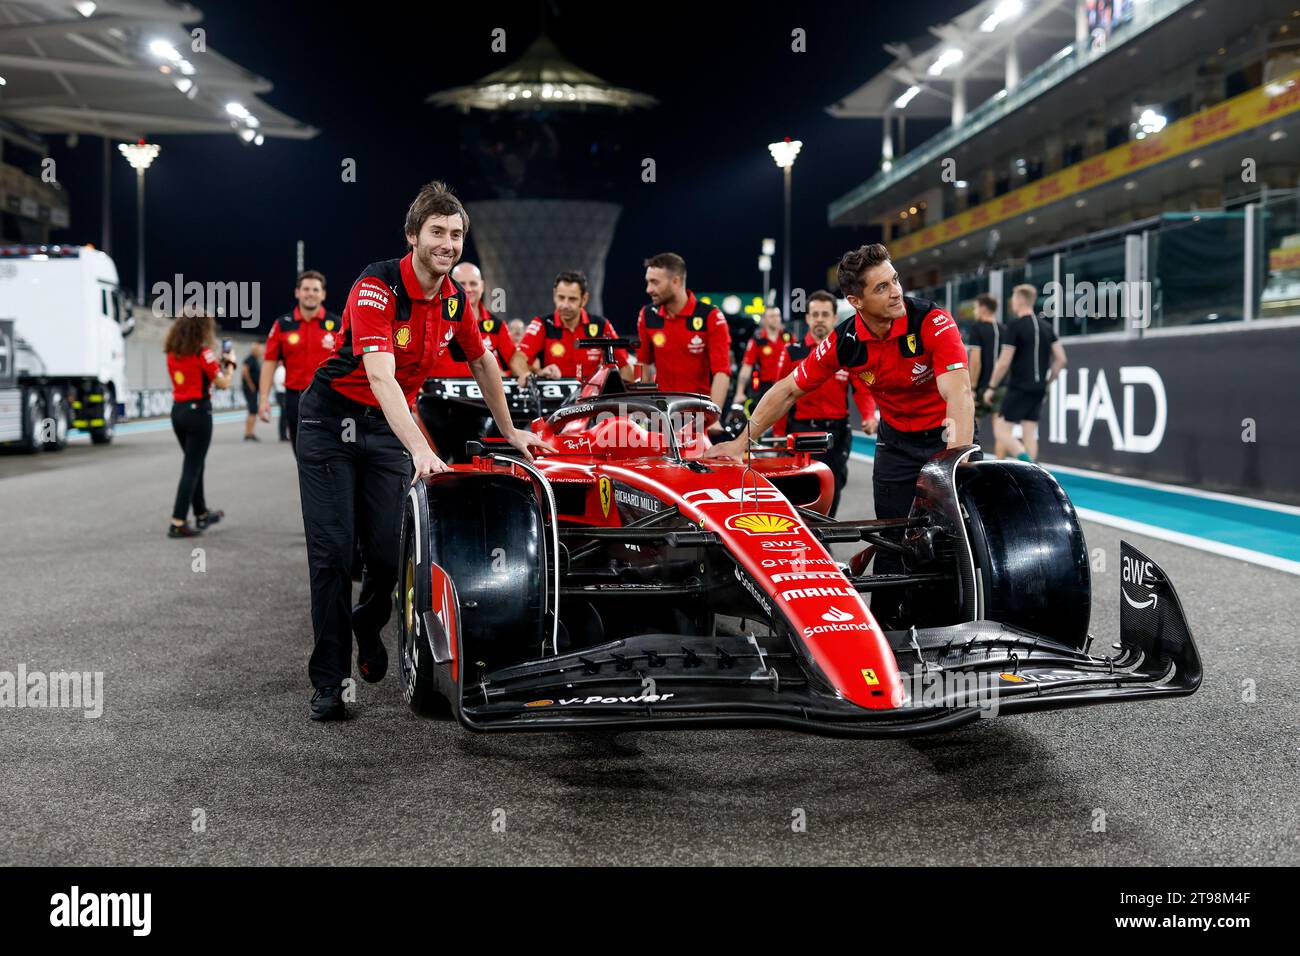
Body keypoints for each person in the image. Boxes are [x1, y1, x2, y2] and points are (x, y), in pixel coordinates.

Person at [296, 180, 552, 721]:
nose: (448, 243)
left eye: (457, 234)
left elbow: (484, 362)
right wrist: (420, 449)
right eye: (437, 231)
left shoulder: (456, 299)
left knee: (389, 556)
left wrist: (510, 430)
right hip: (330, 423)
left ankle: (368, 621)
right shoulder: (377, 287)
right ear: (413, 235)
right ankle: (329, 679)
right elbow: (381, 378)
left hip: (386, 429)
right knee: (334, 554)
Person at [706, 243, 973, 625]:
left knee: (957, 541)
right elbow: (788, 389)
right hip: (896, 443)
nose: (896, 291)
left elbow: (959, 393)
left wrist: (952, 461)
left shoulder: (931, 321)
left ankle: (964, 623)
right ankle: (887, 630)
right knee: (894, 541)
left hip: (947, 439)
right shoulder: (845, 340)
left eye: (894, 280)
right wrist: (739, 442)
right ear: (855, 300)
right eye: (881, 287)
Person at [773, 290, 877, 517]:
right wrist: (779, 435)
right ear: (808, 318)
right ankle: (806, 535)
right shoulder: (792, 352)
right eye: (815, 314)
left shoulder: (848, 352)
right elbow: (780, 395)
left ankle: (825, 532)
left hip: (836, 434)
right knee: (802, 487)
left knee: (834, 483)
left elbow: (862, 389)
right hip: (801, 433)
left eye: (825, 314)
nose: (819, 319)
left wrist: (869, 415)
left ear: (834, 318)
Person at [163, 310, 233, 537]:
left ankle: (201, 512)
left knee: (195, 463)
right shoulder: (203, 353)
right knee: (192, 467)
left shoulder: (172, 352)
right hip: (198, 413)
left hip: (178, 412)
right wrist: (230, 366)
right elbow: (222, 383)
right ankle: (178, 521)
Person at [257, 271, 342, 454]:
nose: (310, 293)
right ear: (297, 292)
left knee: (332, 451)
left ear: (323, 294)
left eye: (315, 289)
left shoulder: (336, 324)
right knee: (301, 452)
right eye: (306, 289)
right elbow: (269, 362)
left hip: (330, 398)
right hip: (295, 398)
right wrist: (263, 399)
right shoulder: (282, 325)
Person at [635, 252, 732, 412]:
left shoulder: (711, 316)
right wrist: (641, 409)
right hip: (662, 413)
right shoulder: (647, 315)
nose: (648, 289)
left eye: (655, 282)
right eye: (648, 282)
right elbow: (642, 364)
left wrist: (713, 416)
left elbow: (721, 372)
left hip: (699, 414)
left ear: (675, 281)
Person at [984, 284, 1067, 461]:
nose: (1012, 303)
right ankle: (1035, 475)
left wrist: (991, 386)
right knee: (1029, 432)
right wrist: (1048, 382)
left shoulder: (1015, 326)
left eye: (1013, 298)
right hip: (1039, 388)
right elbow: (1061, 359)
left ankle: (1029, 464)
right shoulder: (1047, 327)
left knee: (1001, 430)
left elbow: (1004, 361)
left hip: (1019, 386)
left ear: (1020, 300)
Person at [511, 270, 634, 386]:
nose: (565, 305)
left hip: (590, 401)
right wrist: (530, 375)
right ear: (554, 295)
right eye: (561, 297)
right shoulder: (542, 324)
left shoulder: (600, 325)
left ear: (584, 299)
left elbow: (625, 367)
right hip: (554, 402)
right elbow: (518, 359)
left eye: (572, 299)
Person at [965, 293, 1006, 458]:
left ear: (983, 308)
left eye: (975, 307)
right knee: (1001, 431)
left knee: (971, 427)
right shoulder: (1004, 329)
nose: (975, 311)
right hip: (1001, 385)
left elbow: (975, 360)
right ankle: (1001, 468)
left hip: (981, 385)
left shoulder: (977, 328)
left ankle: (968, 464)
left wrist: (972, 387)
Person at [735, 306, 790, 412]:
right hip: (765, 388)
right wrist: (739, 392)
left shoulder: (788, 337)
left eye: (778, 316)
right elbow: (746, 368)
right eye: (771, 316)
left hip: (786, 385)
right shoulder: (757, 341)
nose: (776, 319)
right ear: (764, 319)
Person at [240, 341, 263, 441]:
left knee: (253, 410)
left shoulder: (255, 360)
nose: (260, 352)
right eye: (259, 350)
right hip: (250, 389)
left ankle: (250, 432)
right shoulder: (250, 359)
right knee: (253, 410)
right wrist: (251, 385)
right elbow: (244, 371)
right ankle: (249, 433)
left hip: (253, 389)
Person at [274, 364, 289, 441]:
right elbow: (282, 382)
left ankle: (284, 434)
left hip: (281, 393)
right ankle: (283, 435)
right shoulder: (281, 370)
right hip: (282, 393)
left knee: (285, 415)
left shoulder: (282, 369)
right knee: (284, 415)